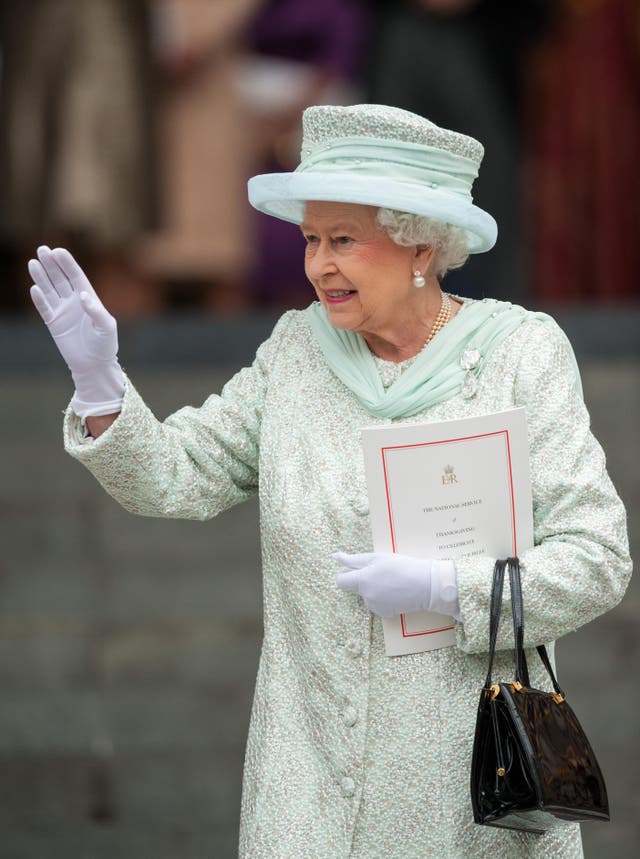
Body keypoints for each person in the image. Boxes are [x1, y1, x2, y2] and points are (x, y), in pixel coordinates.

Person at [28, 104, 630, 858]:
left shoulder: (521, 356)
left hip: (469, 798)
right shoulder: (295, 352)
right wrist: (101, 386)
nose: (318, 265)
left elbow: (599, 558)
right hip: (305, 792)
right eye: (311, 239)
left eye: (343, 239)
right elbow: (180, 476)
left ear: (419, 242)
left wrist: (448, 586)